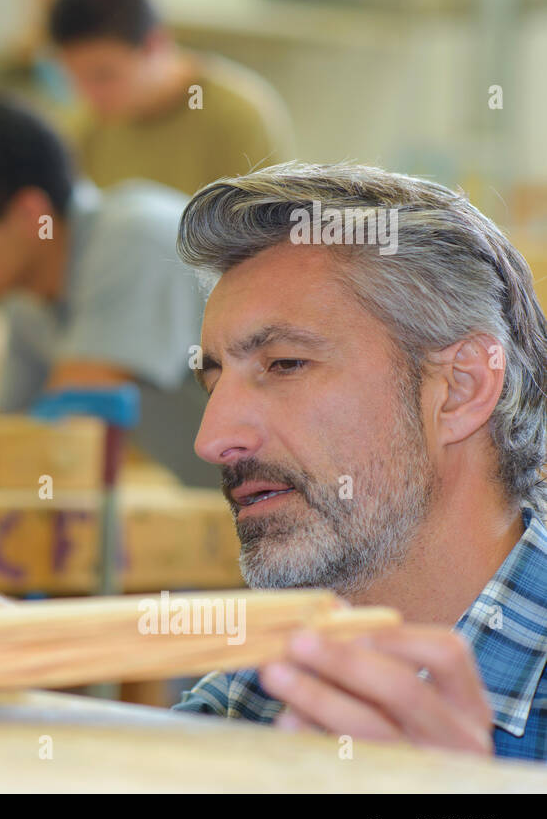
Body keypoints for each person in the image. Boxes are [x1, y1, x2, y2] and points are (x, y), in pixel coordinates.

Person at [170, 162, 547, 760]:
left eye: (285, 364)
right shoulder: (263, 690)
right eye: (213, 381)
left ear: (462, 388)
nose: (213, 440)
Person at [0, 97, 213, 487]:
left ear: (30, 215)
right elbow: (12, 434)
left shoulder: (135, 239)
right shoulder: (27, 303)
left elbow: (59, 431)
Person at [48, 0, 294, 195]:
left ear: (154, 45)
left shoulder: (241, 119)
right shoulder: (83, 129)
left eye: (103, 75)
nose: (88, 95)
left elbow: (272, 231)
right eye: (73, 77)